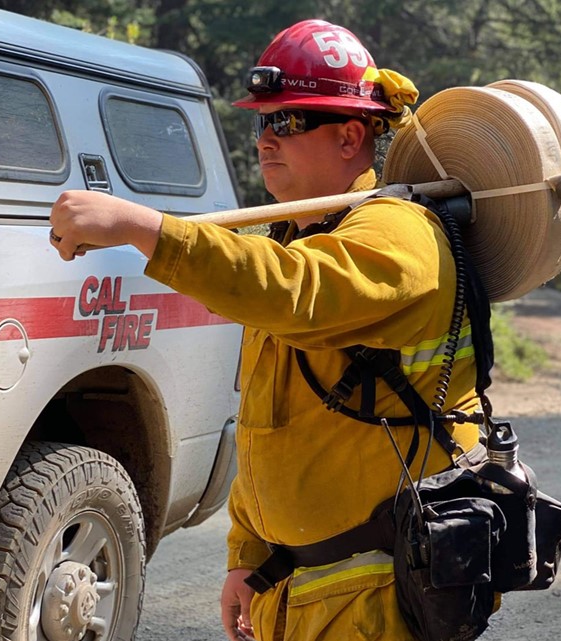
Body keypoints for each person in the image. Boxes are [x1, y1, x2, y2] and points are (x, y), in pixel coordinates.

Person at [48, 19, 486, 641]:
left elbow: (292, 290)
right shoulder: (298, 237)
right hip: (300, 589)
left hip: (378, 592)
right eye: (262, 121)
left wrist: (143, 227)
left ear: (350, 136)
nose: (265, 139)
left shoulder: (401, 234)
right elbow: (266, 426)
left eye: (288, 121)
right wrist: (249, 558)